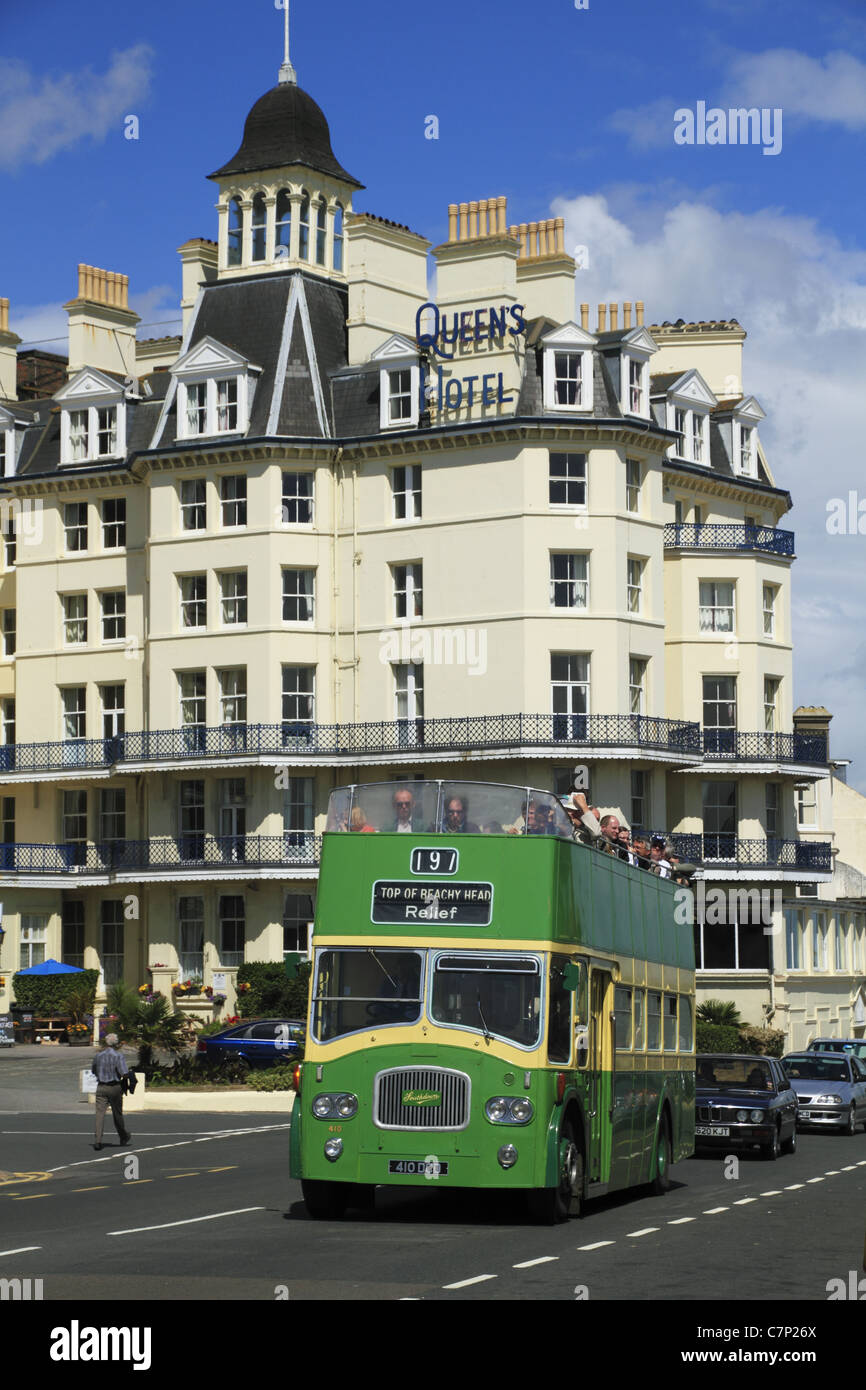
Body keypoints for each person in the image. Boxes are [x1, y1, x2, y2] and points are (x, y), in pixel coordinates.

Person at [91, 1032, 132, 1150]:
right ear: (116, 1044)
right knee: (117, 1113)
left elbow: (93, 1070)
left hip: (101, 1086)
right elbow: (124, 1073)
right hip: (115, 1087)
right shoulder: (118, 1056)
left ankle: (98, 1140)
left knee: (99, 1114)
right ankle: (123, 1135)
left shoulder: (98, 1056)